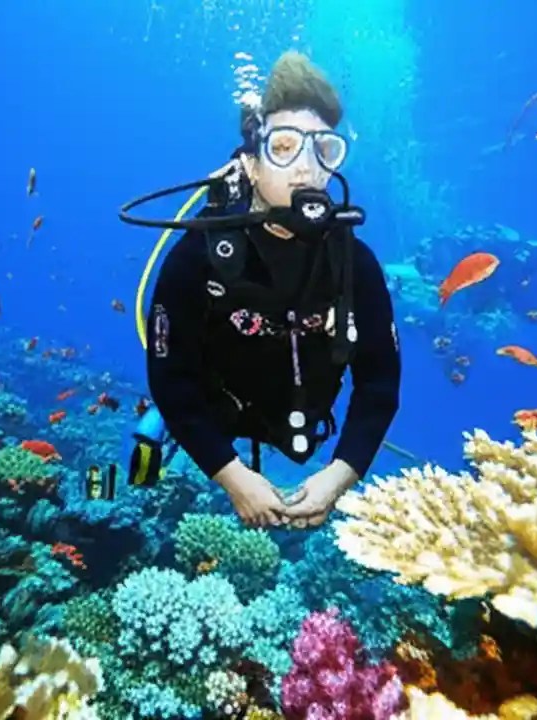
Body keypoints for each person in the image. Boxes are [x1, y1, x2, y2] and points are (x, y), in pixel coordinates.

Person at [130, 51, 401, 529]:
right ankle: (160, 438)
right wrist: (230, 476)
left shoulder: (354, 264)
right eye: (284, 147)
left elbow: (379, 382)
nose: (306, 169)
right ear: (252, 164)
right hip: (218, 413)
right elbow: (171, 377)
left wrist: (340, 475)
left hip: (300, 423)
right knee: (149, 459)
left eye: (324, 150)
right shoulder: (198, 257)